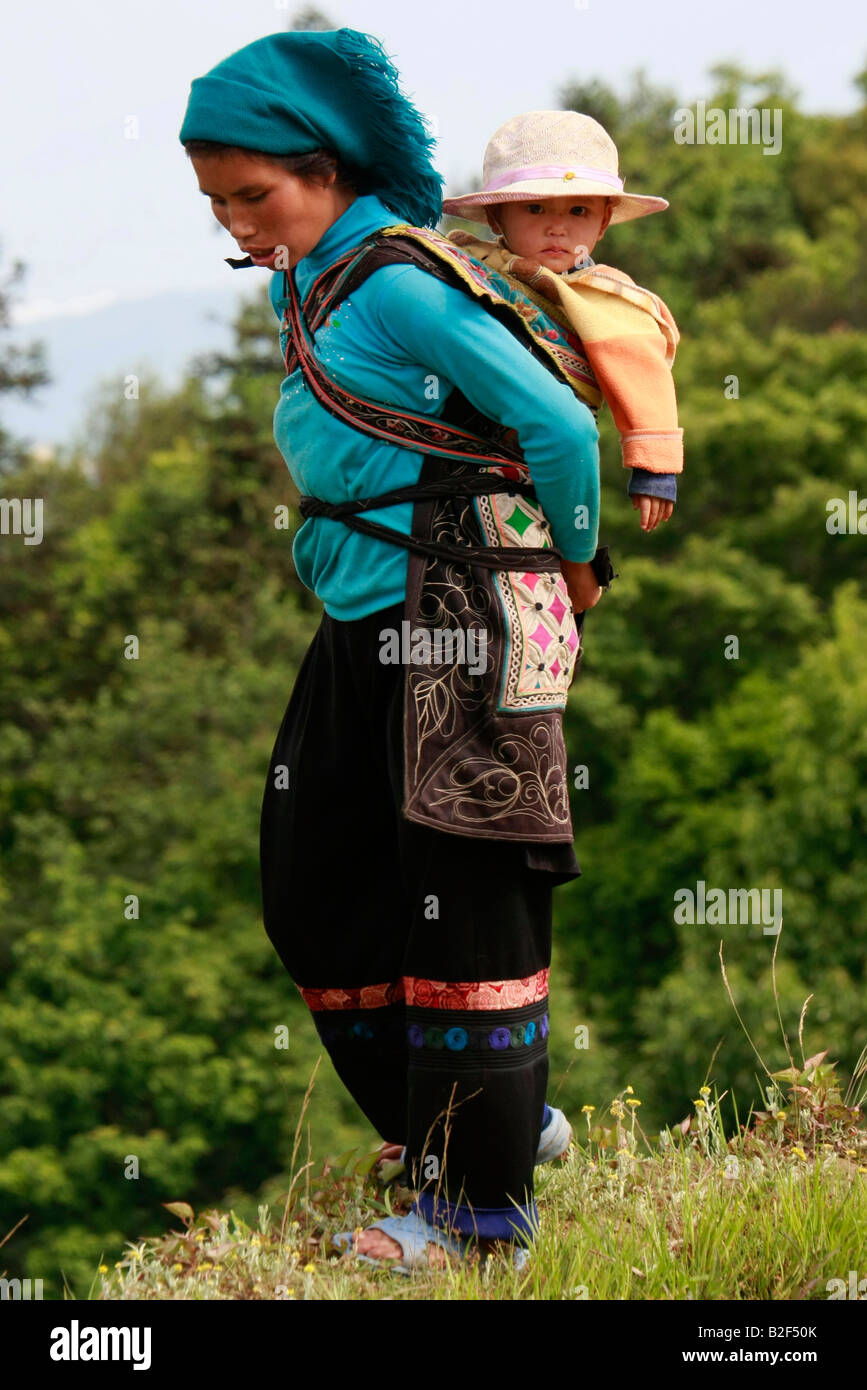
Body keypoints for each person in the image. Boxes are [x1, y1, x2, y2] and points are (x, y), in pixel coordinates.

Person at [179, 27, 604, 1274]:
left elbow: (558, 422)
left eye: (258, 195)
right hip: (358, 624)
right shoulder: (301, 279)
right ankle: (486, 1135)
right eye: (219, 203)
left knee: (467, 908)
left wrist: (575, 576)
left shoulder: (396, 280)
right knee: (316, 893)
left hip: (459, 620)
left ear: (329, 167)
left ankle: (479, 1221)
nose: (243, 221)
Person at [441, 110, 684, 534]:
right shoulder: (462, 269)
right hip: (448, 463)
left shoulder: (612, 303)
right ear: (498, 218)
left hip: (546, 475)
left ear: (603, 221)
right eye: (535, 208)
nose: (557, 227)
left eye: (578, 210)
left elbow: (642, 371)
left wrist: (653, 468)